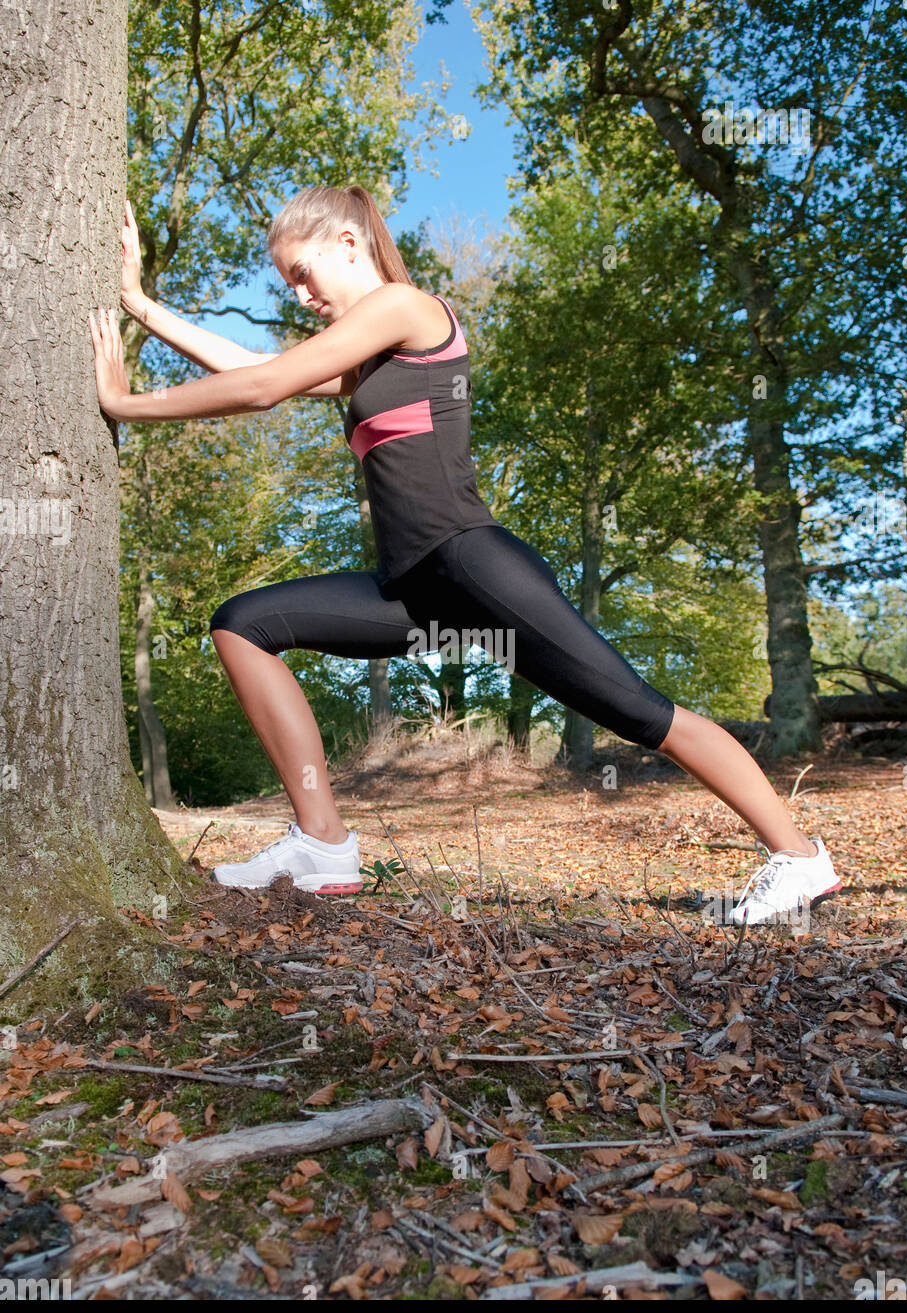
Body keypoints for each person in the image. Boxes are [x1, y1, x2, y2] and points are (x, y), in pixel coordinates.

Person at [90, 184, 844, 927]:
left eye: (302, 273)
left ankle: (799, 858)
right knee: (243, 624)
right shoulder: (360, 361)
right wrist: (141, 305)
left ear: (347, 245)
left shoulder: (406, 308)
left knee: (638, 711)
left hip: (476, 568)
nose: (299, 295)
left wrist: (127, 405)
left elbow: (263, 386)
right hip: (415, 592)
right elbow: (253, 365)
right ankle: (322, 844)